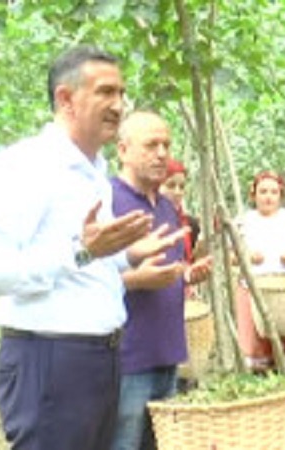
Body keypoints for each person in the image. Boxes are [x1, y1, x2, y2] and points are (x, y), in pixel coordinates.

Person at [0, 46, 183, 450]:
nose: (119, 105)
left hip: (101, 359)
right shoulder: (28, 165)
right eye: (105, 92)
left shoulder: (95, 172)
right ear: (66, 98)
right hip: (49, 359)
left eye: (122, 93)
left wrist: (126, 253)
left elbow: (88, 265)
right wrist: (83, 250)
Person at [109, 111, 213, 450]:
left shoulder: (167, 208)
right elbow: (82, 278)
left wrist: (186, 274)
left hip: (168, 355)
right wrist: (135, 280)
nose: (161, 153)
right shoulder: (108, 200)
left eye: (166, 145)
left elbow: (168, 270)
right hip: (126, 360)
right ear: (122, 150)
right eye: (151, 145)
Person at [235, 170, 285, 373]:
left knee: (284, 339)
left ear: (280, 195)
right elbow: (230, 256)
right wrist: (248, 257)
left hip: (284, 290)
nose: (268, 197)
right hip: (252, 288)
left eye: (273, 192)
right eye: (263, 192)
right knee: (255, 343)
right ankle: (258, 386)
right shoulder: (244, 221)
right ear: (253, 195)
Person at [160, 158, 201, 264]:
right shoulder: (145, 222)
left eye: (181, 187)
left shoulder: (190, 225)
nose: (177, 192)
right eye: (171, 185)